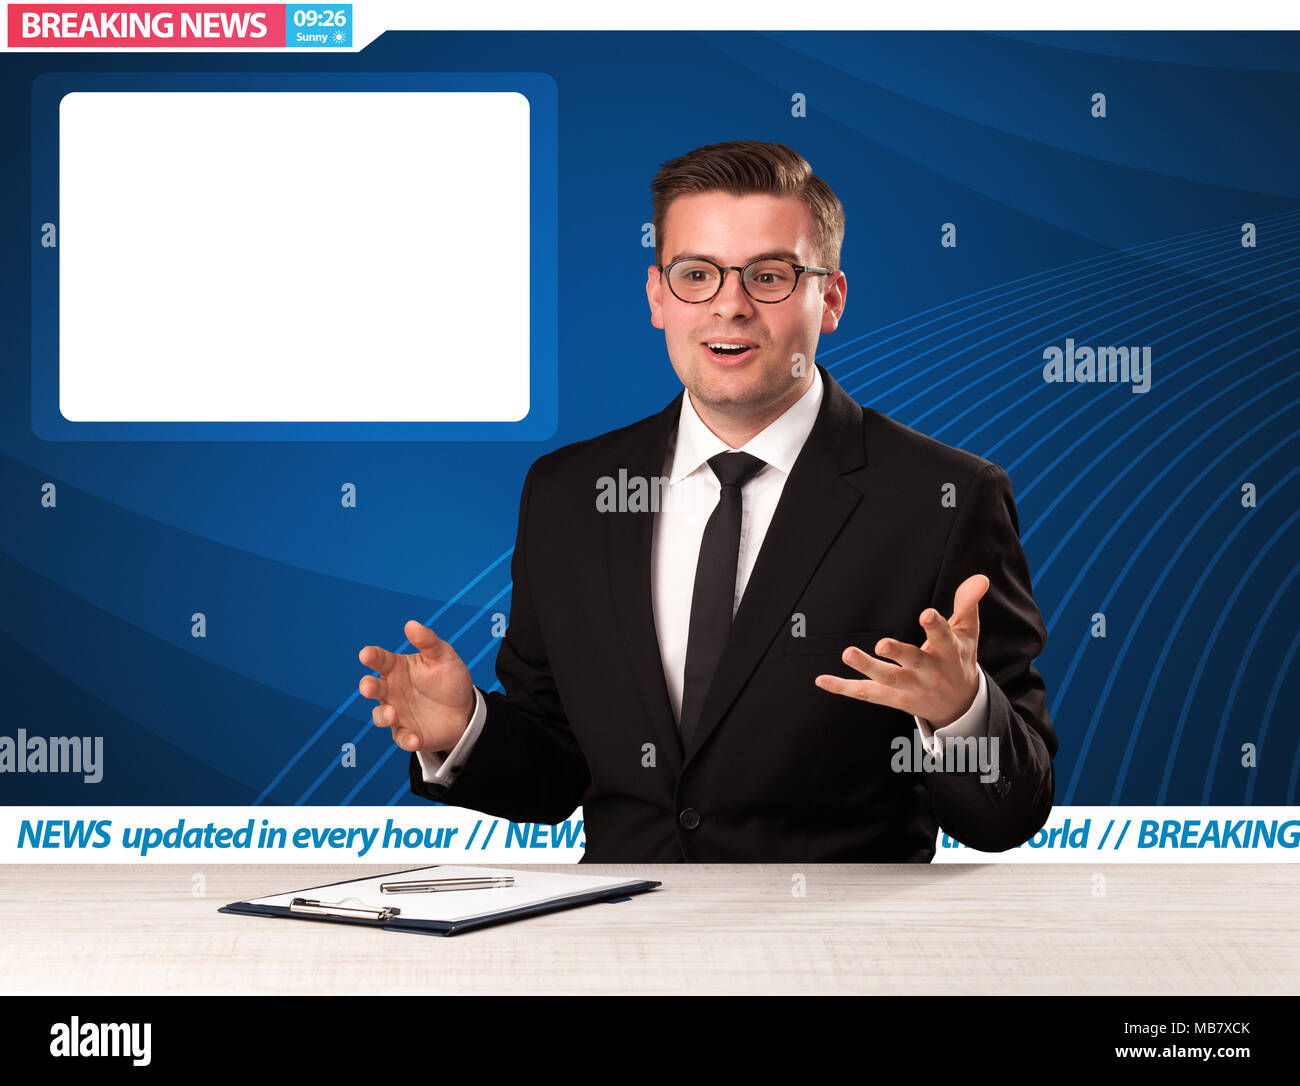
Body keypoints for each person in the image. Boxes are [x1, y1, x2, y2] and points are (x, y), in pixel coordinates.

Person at [358, 140, 1056, 862]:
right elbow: (557, 771)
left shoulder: (944, 499)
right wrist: (466, 729)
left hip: (833, 961)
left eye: (770, 277)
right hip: (621, 953)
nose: (730, 305)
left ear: (832, 298)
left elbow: (1011, 814)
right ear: (658, 296)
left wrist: (960, 713)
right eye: (697, 274)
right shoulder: (567, 494)